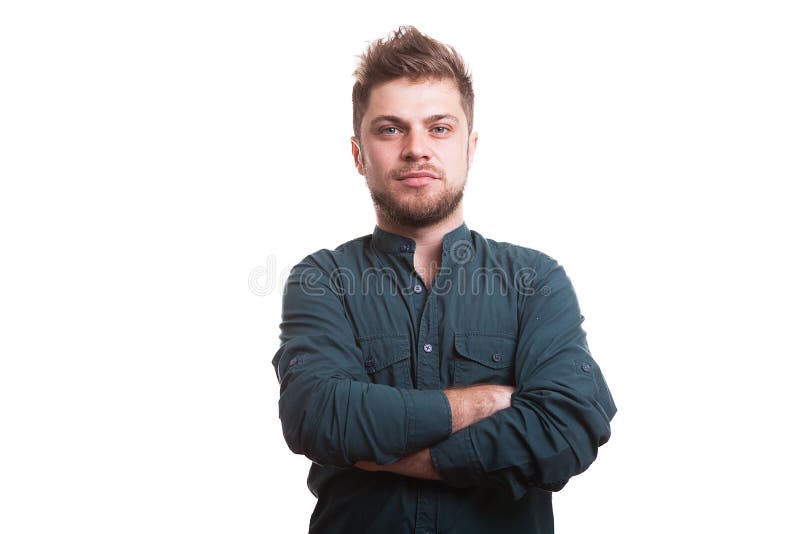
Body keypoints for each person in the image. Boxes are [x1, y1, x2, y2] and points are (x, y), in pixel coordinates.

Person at [272, 25, 616, 534]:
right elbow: (317, 415)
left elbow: (568, 430)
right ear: (357, 154)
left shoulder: (535, 280)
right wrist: (483, 402)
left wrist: (383, 452)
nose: (416, 148)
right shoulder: (322, 280)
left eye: (439, 128)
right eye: (390, 129)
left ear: (470, 146)